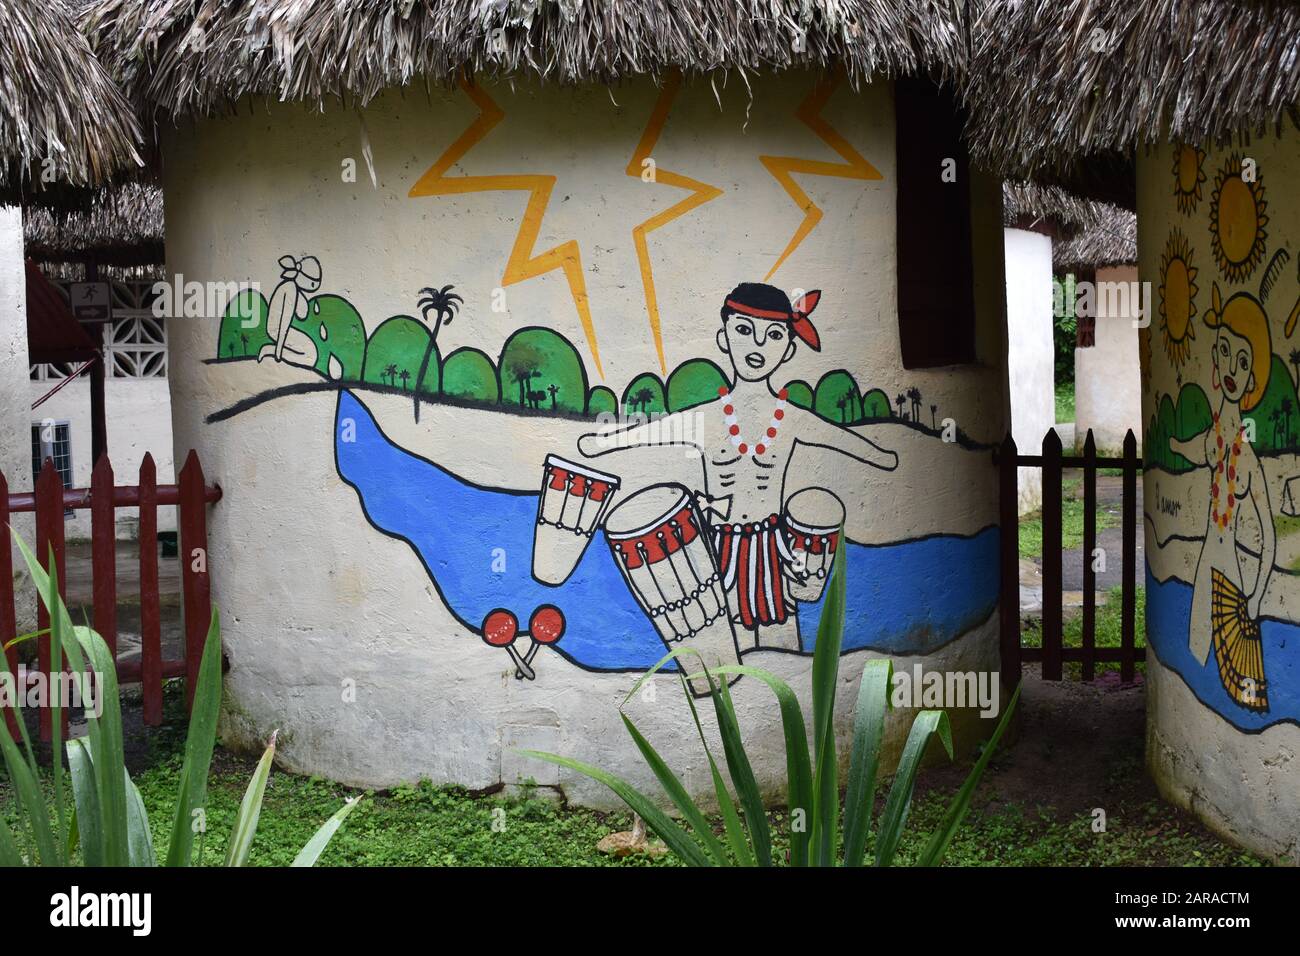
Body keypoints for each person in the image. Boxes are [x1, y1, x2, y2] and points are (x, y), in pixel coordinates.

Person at [578, 282, 898, 650]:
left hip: (772, 551)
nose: (758, 346)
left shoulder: (792, 418)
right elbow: (655, 431)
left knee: (783, 643)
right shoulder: (707, 418)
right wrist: (604, 443)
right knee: (731, 648)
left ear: (789, 349)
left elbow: (840, 437)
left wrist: (881, 455)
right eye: (745, 330)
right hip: (720, 551)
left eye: (774, 335)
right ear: (723, 337)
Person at [1169, 283, 1276, 710]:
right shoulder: (1218, 437)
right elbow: (1201, 449)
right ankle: (1193, 716)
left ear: (1250, 380)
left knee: (1229, 652)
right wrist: (1176, 448)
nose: (1234, 366)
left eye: (1244, 361)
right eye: (1228, 351)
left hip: (1226, 567)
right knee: (1198, 644)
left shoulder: (1247, 458)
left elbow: (1268, 536)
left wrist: (1254, 593)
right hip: (1207, 560)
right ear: (1216, 359)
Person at [258, 254, 321, 369]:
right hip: (276, 329)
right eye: (312, 284)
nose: (313, 287)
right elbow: (285, 320)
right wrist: (278, 348)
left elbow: (302, 314)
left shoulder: (293, 288)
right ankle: (270, 350)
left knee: (311, 354)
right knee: (311, 355)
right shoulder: (290, 288)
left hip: (276, 328)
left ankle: (271, 349)